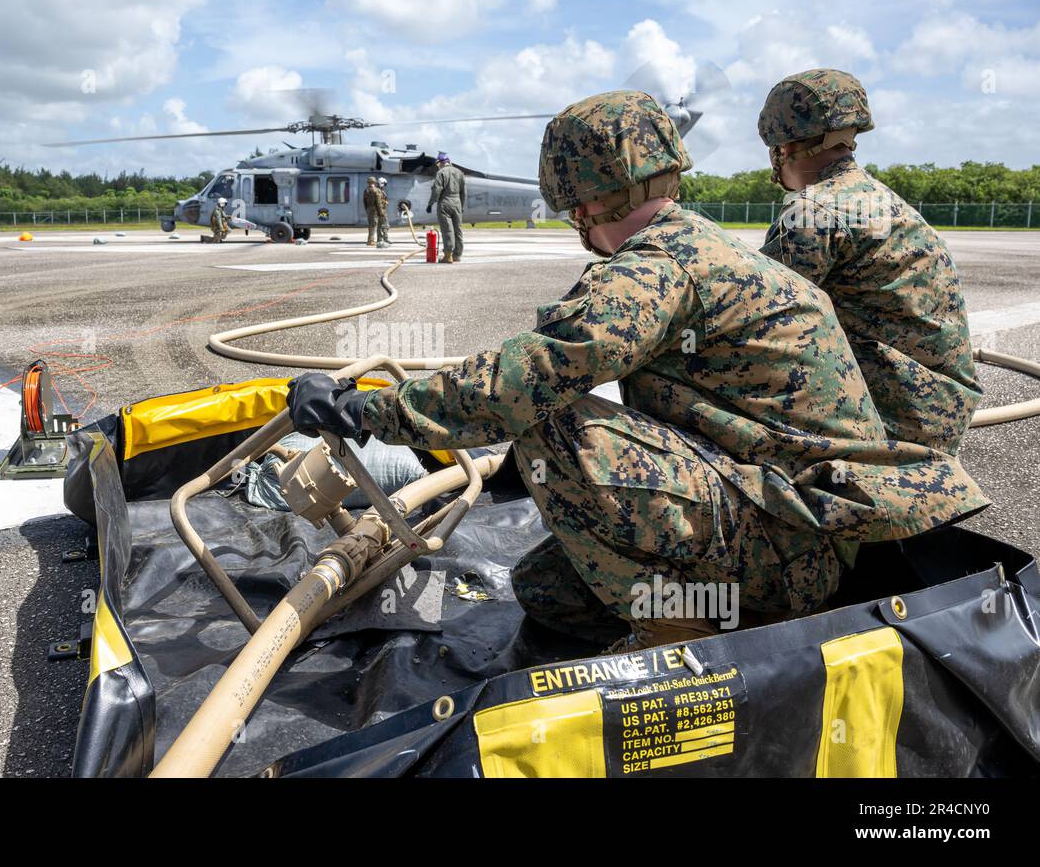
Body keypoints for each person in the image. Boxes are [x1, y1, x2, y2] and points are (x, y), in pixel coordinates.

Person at [286, 90, 987, 649]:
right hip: (802, 530)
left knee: (551, 419)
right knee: (549, 592)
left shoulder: (657, 267)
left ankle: (685, 641)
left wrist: (361, 409)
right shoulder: (696, 245)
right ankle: (727, 619)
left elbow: (520, 381)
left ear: (586, 200)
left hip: (789, 543)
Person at [758, 69, 981, 453]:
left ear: (786, 147)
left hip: (893, 425)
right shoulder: (884, 200)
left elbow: (755, 311)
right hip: (938, 414)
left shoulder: (813, 209)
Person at [426, 152, 466, 263]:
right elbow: (464, 192)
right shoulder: (459, 172)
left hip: (445, 202)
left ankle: (448, 255)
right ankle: (457, 255)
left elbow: (436, 190)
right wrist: (460, 206)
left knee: (447, 230)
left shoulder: (441, 173)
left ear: (441, 163)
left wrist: (430, 203)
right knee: (458, 230)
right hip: (457, 202)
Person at [363, 177, 385, 247]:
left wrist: (367, 209)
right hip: (374, 209)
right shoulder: (376, 190)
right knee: (373, 225)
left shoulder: (366, 190)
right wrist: (381, 212)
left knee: (370, 224)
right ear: (375, 182)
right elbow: (378, 202)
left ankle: (370, 239)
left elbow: (364, 201)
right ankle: (371, 241)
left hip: (369, 209)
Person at [375, 177, 391, 248]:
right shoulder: (379, 191)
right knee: (385, 225)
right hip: (381, 210)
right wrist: (385, 202)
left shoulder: (380, 190)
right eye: (384, 184)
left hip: (380, 210)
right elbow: (379, 201)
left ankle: (380, 239)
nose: (384, 185)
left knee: (380, 225)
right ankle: (385, 239)